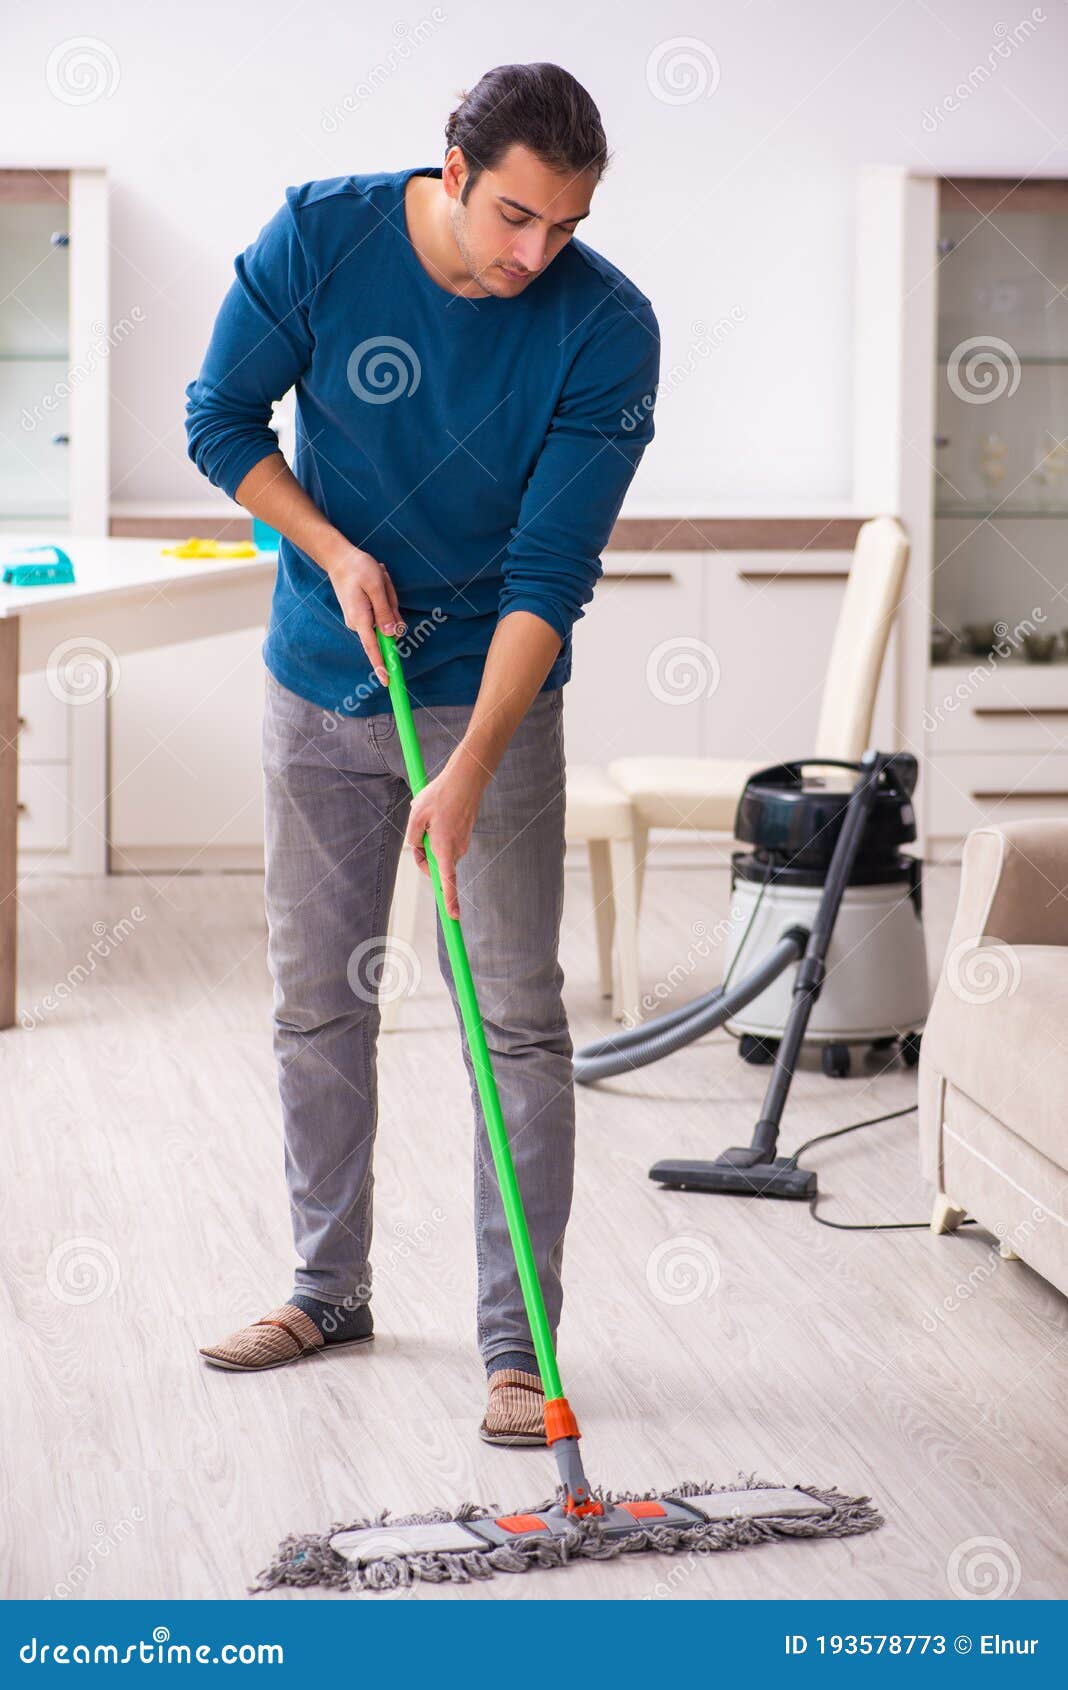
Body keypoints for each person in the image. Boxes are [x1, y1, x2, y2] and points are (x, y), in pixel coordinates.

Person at [187, 61, 659, 1444]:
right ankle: (326, 1289)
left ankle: (521, 1351)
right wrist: (328, 547)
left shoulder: (605, 327)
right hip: (322, 679)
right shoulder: (321, 237)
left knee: (512, 1018)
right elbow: (221, 420)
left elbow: (550, 573)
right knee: (317, 999)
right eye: (514, 214)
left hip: (491, 701)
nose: (535, 253)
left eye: (562, 227)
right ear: (452, 166)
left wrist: (467, 770)